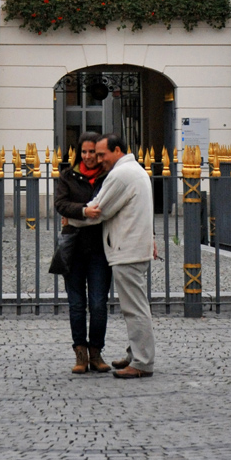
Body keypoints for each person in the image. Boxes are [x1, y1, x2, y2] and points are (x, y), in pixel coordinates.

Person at [84, 134, 155, 379]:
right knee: (136, 306)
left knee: (134, 309)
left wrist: (74, 214)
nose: (99, 159)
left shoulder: (120, 175)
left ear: (117, 150)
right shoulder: (137, 170)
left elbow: (99, 209)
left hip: (127, 249)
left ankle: (142, 362)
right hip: (135, 247)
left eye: (103, 154)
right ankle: (134, 353)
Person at [54, 135, 112, 375]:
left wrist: (79, 214)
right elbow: (60, 204)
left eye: (92, 152)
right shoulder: (67, 176)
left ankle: (96, 351)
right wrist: (84, 211)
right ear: (78, 153)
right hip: (74, 247)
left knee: (98, 304)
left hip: (100, 247)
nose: (88, 157)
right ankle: (80, 353)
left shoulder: (108, 176)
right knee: (77, 304)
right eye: (84, 152)